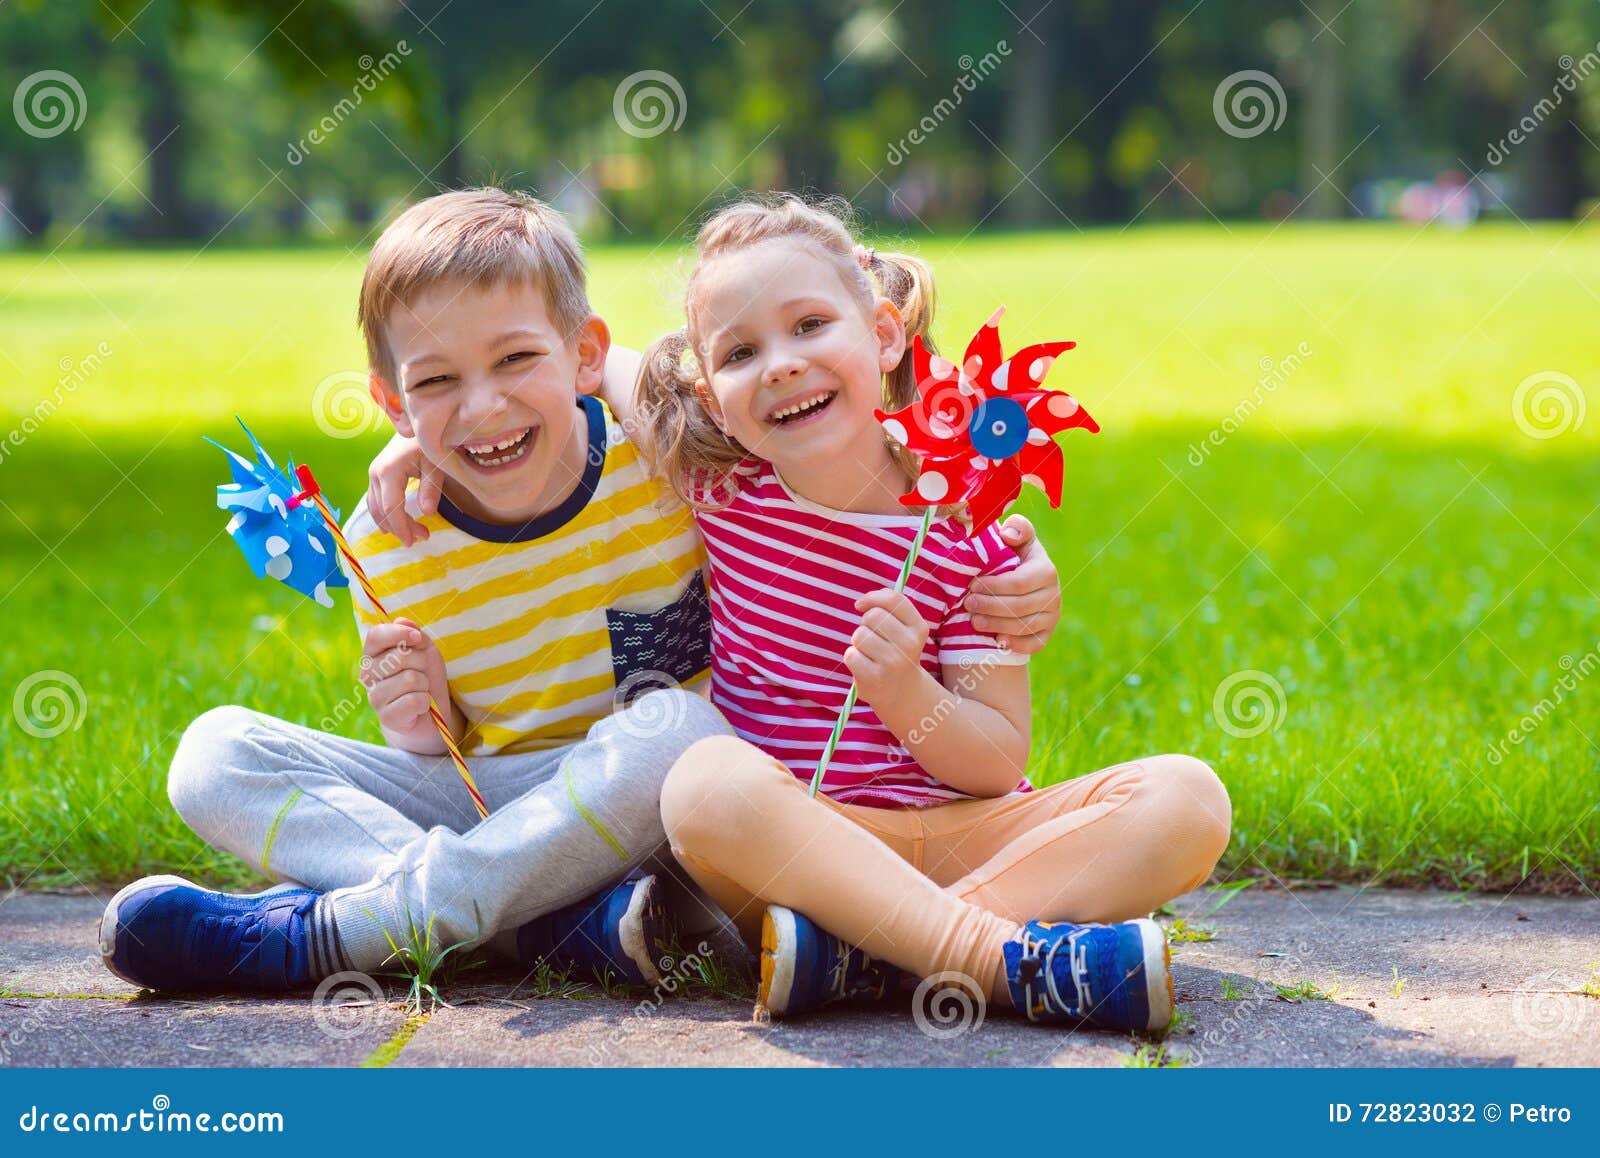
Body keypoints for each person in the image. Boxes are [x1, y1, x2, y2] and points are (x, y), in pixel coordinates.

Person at [99, 188, 732, 992]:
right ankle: (521, 926)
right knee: (214, 755)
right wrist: (423, 720)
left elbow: (718, 409)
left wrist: (613, 378)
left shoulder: (662, 459)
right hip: (501, 810)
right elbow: (458, 748)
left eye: (516, 359)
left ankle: (355, 927)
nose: (483, 405)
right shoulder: (389, 538)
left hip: (650, 815)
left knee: (683, 728)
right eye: (435, 381)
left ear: (584, 353)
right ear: (392, 402)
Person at [632, 195, 1232, 1031]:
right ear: (710, 392)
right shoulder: (723, 491)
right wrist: (409, 440)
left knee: (1188, 799)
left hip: (969, 833)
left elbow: (993, 761)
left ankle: (860, 958)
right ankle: (996, 957)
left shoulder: (967, 529)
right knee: (701, 783)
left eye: (809, 326)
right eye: (740, 351)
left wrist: (904, 690)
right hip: (808, 847)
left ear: (883, 335)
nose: (779, 363)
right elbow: (571, 365)